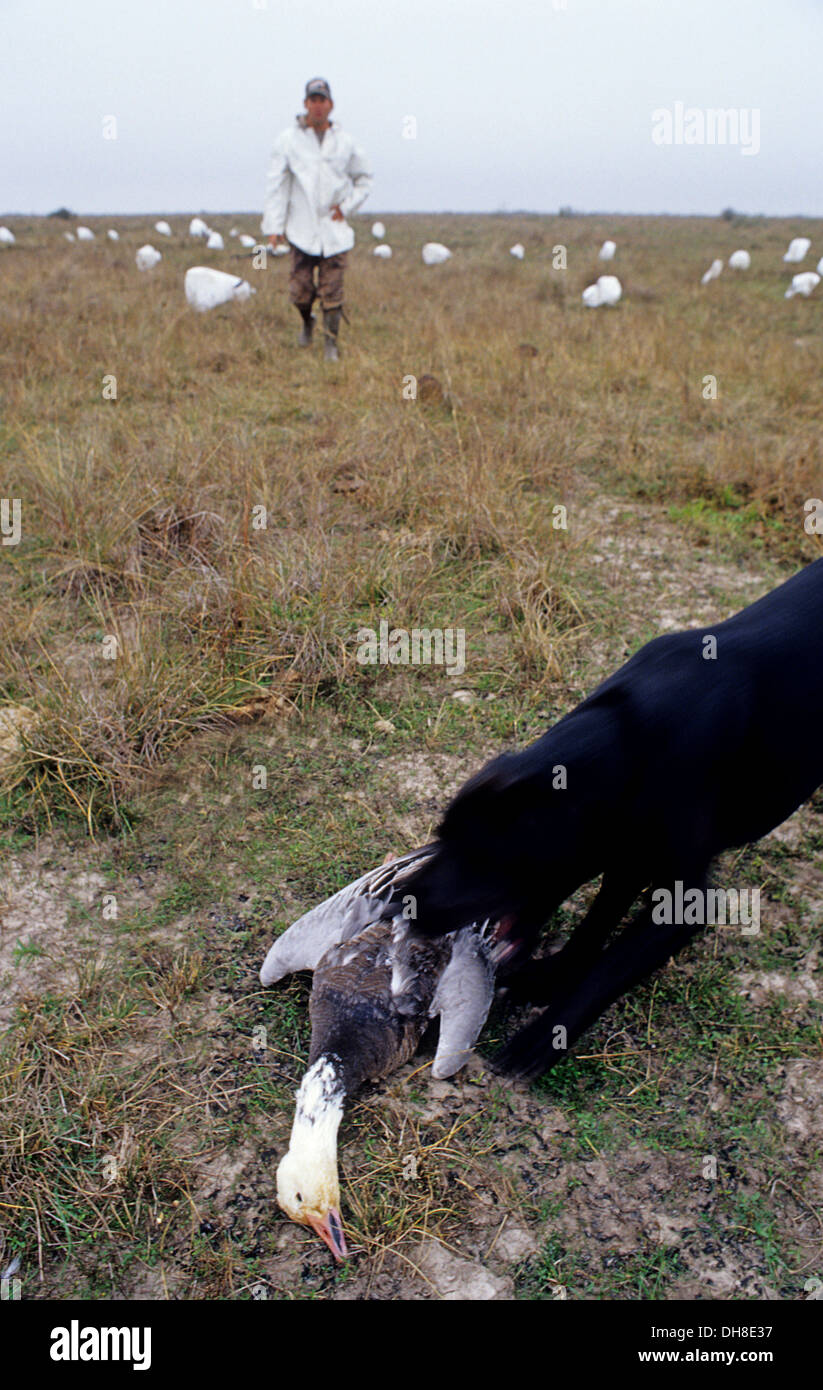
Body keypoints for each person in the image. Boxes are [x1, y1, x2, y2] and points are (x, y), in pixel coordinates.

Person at [262, 78, 373, 361]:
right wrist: (274, 227)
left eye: (322, 100)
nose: (318, 105)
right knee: (299, 291)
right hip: (301, 229)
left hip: (334, 230)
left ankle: (331, 345)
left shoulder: (346, 142)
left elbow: (364, 178)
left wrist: (346, 207)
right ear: (305, 104)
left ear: (331, 104)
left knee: (332, 289)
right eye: (313, 100)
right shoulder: (288, 141)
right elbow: (277, 185)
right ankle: (307, 321)